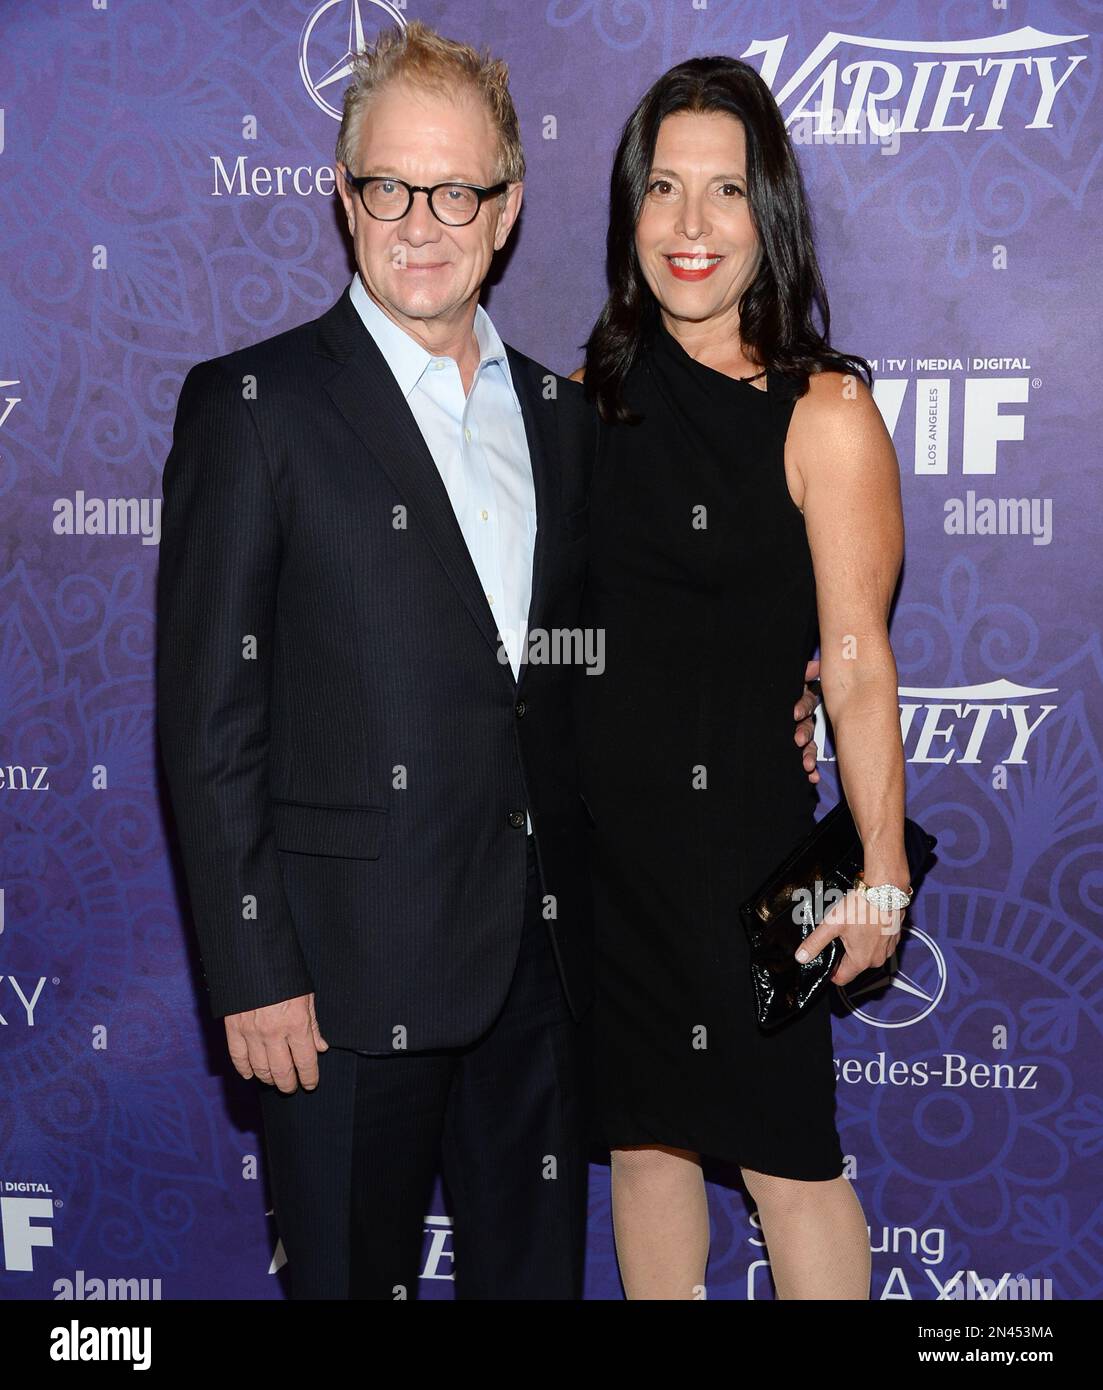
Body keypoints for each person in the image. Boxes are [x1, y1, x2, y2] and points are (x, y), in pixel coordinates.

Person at [156, 21, 824, 1300]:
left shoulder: (566, 414)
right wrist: (252, 972)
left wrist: (771, 701)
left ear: (506, 208)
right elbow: (205, 714)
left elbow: (606, 647)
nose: (423, 220)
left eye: (456, 189)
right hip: (342, 986)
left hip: (547, 977)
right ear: (344, 198)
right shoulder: (254, 407)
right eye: (390, 187)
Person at [569, 56, 911, 1300]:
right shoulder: (582, 407)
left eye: (723, 190)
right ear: (630, 211)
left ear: (767, 215)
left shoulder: (824, 414)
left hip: (738, 856)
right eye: (663, 187)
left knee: (786, 1159)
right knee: (643, 1143)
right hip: (604, 855)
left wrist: (877, 872)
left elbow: (858, 662)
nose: (690, 225)